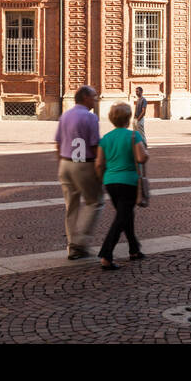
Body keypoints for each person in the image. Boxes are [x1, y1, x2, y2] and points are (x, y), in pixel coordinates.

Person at [95, 102, 148, 270]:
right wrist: (145, 153)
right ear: (128, 118)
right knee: (121, 218)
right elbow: (141, 158)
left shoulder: (105, 138)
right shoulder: (134, 136)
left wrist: (102, 180)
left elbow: (98, 164)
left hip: (110, 182)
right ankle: (106, 254)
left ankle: (134, 249)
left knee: (125, 215)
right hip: (129, 182)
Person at [56, 85, 103, 260]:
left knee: (71, 206)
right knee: (95, 202)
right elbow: (93, 145)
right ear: (85, 98)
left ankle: (72, 246)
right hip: (82, 164)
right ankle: (80, 243)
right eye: (94, 96)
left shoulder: (65, 115)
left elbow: (58, 143)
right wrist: (100, 167)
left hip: (65, 163)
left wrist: (62, 163)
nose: (96, 99)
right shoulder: (90, 117)